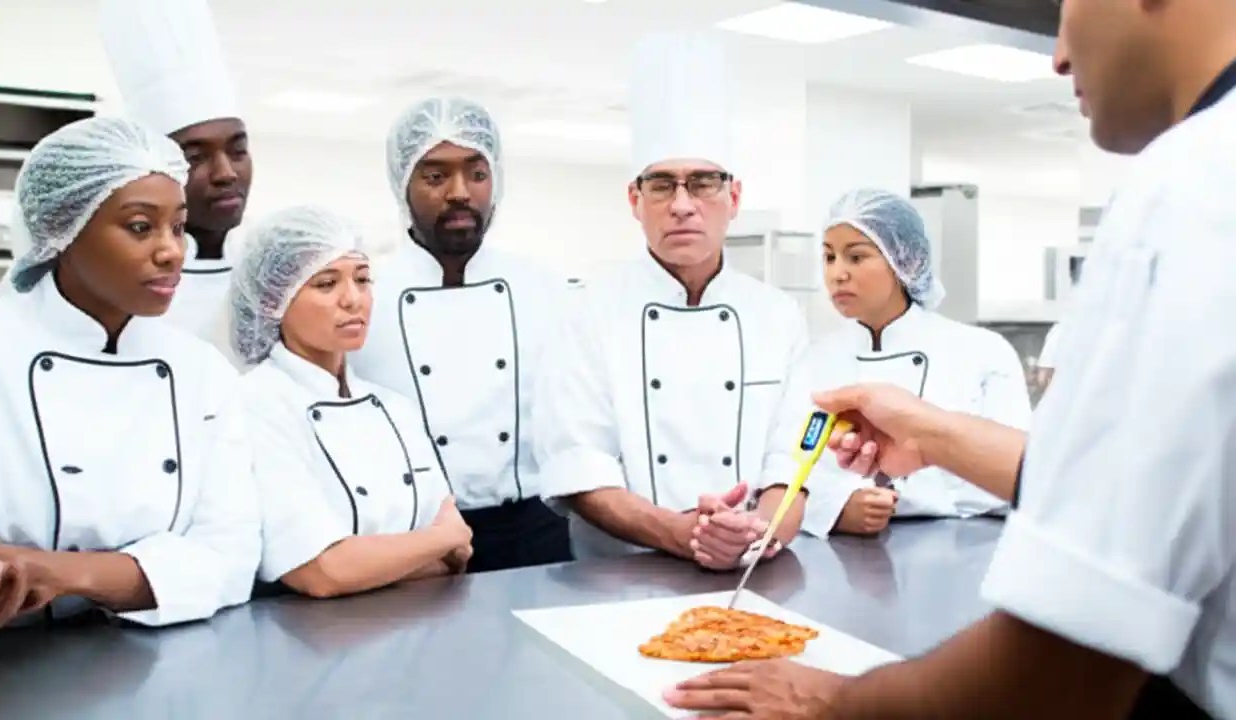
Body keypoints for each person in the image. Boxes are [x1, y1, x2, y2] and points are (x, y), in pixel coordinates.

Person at [665, 0, 1236, 716]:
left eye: (1066, 7)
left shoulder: (1192, 189)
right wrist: (930, 433)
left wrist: (836, 702)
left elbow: (1065, 661)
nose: (1058, 53)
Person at [0, 117, 259, 640]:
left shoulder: (201, 371)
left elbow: (229, 555)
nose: (172, 251)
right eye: (141, 227)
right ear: (63, 229)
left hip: (152, 659)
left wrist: (62, 573)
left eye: (178, 226)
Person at [534, 31, 810, 567]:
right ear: (635, 200)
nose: (683, 204)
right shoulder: (588, 310)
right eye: (662, 185)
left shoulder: (779, 316)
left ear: (734, 198)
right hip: (619, 572)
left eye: (703, 183)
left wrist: (754, 530)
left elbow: (794, 457)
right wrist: (682, 533)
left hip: (751, 566)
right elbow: (578, 461)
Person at [349, 97, 571, 573]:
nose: (460, 192)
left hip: (535, 532)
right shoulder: (365, 293)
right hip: (417, 540)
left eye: (477, 173)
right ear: (401, 184)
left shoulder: (544, 288)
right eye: (434, 176)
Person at [229, 205, 473, 597]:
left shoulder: (394, 408)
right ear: (273, 298)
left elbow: (458, 552)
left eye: (362, 279)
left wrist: (371, 564)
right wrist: (433, 543)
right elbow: (323, 572)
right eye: (326, 283)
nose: (353, 299)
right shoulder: (255, 402)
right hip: (315, 641)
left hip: (420, 627)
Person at [773, 189, 1030, 538]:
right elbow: (784, 467)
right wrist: (838, 506)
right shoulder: (815, 360)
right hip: (842, 560)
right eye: (829, 258)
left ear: (905, 261)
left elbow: (1017, 476)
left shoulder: (983, 351)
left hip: (967, 549)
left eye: (856, 257)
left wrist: (906, 498)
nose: (838, 274)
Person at [100, 0, 254, 349]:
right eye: (195, 157)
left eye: (238, 151)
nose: (226, 173)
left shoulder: (278, 272)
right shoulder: (115, 286)